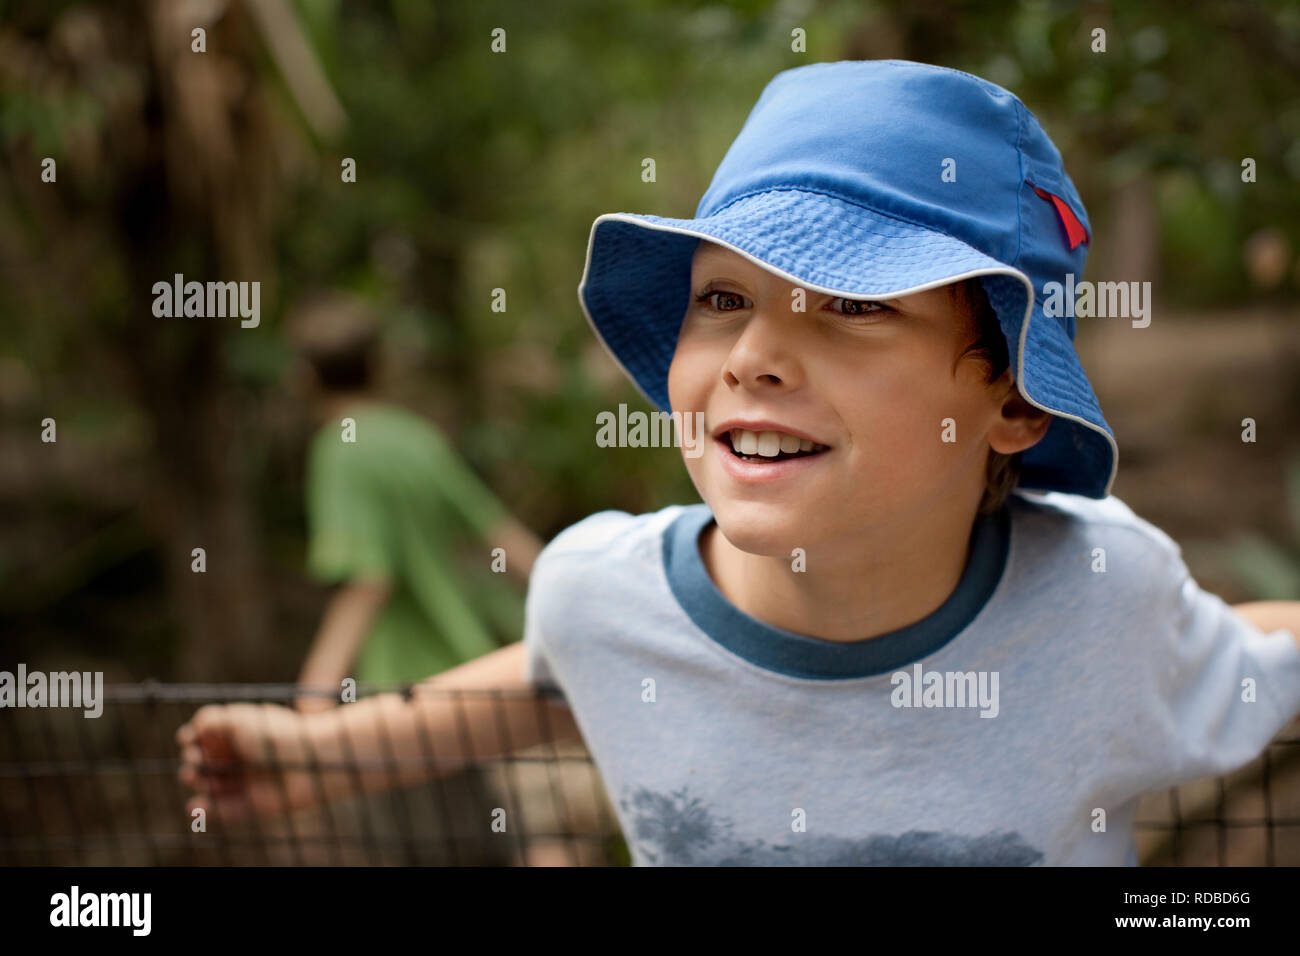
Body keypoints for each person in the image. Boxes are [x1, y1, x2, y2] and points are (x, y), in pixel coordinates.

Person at [178, 60, 1300, 866]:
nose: (754, 355)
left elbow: (1244, 644)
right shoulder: (599, 590)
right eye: (722, 299)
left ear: (1008, 396)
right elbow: (553, 676)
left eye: (854, 304)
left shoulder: (1102, 595)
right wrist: (323, 754)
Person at [282, 291, 549, 865]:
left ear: (304, 376)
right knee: (481, 849)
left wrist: (315, 694)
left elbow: (367, 580)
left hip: (395, 696)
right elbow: (506, 539)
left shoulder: (341, 450)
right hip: (467, 683)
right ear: (378, 365)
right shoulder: (417, 439)